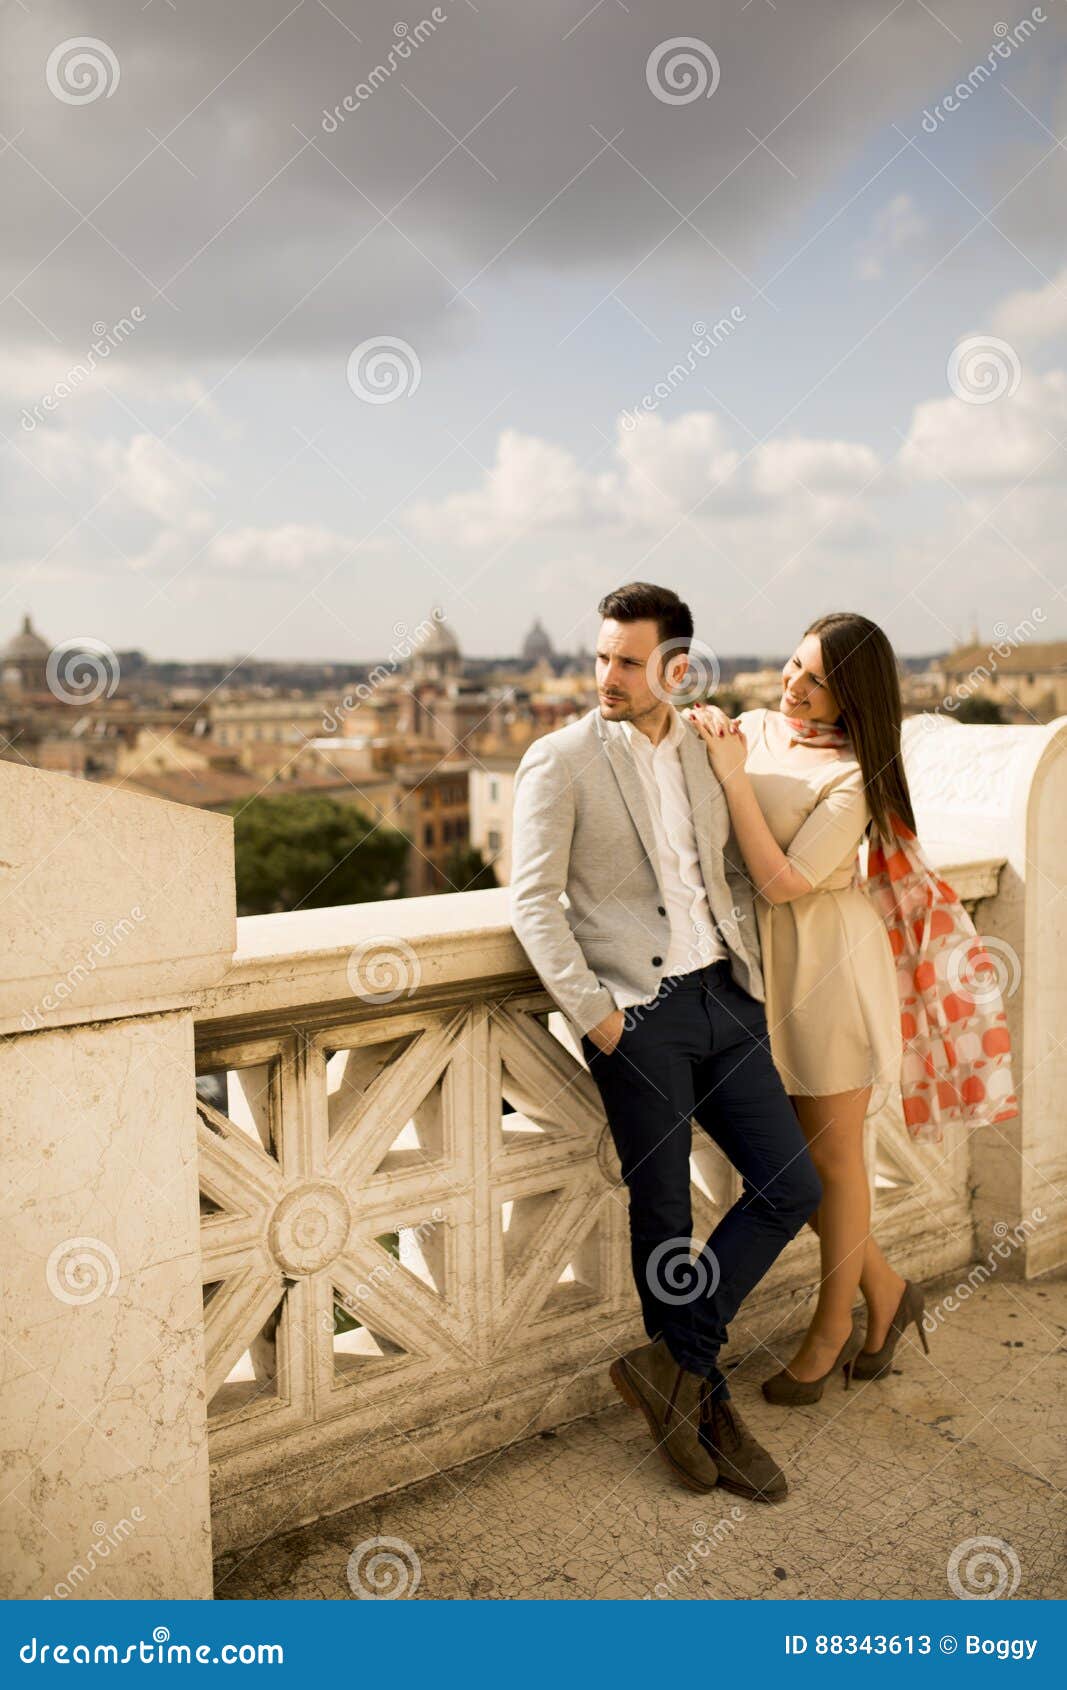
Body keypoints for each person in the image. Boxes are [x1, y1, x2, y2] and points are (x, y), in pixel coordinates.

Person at [509, 582, 821, 1503]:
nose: (607, 675)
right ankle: (705, 1403)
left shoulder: (704, 748)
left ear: (675, 668)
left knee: (790, 1185)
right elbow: (532, 903)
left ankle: (671, 1370)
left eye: (629, 660)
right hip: (636, 1015)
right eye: (601, 656)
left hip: (725, 996)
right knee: (666, 1222)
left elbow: (723, 866)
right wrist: (597, 1017)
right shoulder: (558, 759)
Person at [687, 612, 1017, 1404]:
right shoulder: (756, 728)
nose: (793, 688)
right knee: (785, 1169)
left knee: (831, 1164)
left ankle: (830, 1331)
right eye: (793, 667)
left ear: (853, 697)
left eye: (817, 681)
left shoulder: (855, 775)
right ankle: (889, 1291)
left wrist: (731, 777)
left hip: (825, 966)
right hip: (749, 967)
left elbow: (782, 883)